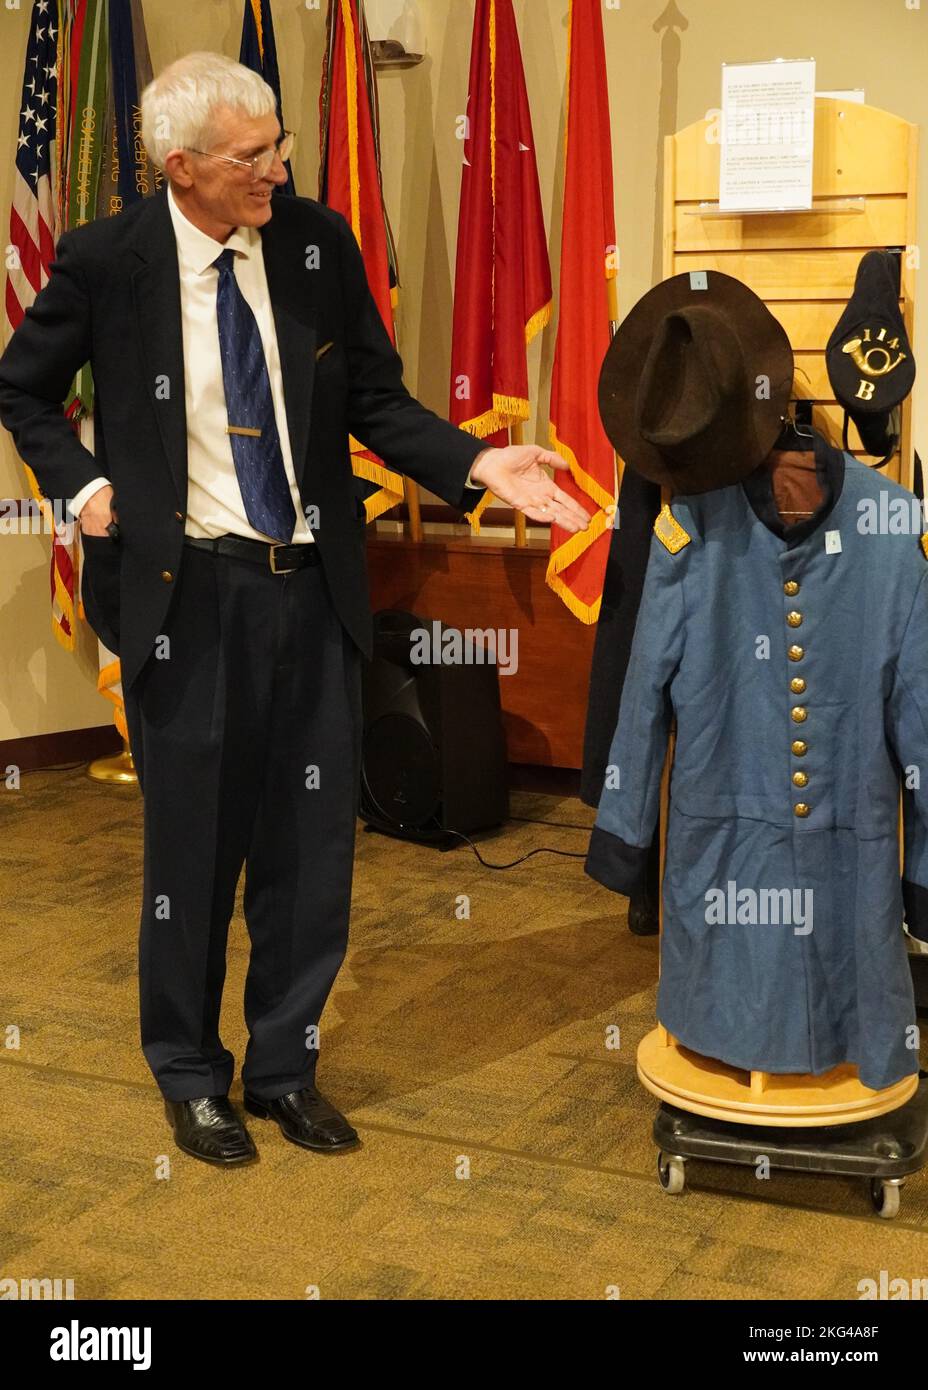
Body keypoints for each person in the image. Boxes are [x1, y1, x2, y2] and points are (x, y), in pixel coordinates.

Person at [0, 51, 589, 1167]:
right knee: (193, 853)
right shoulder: (107, 262)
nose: (278, 168)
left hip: (310, 594)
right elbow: (20, 387)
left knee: (310, 852)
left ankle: (283, 1067)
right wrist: (79, 484)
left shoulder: (315, 244)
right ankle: (189, 1072)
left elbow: (372, 395)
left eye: (281, 146)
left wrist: (474, 465)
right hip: (188, 600)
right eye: (253, 155)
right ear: (180, 166)